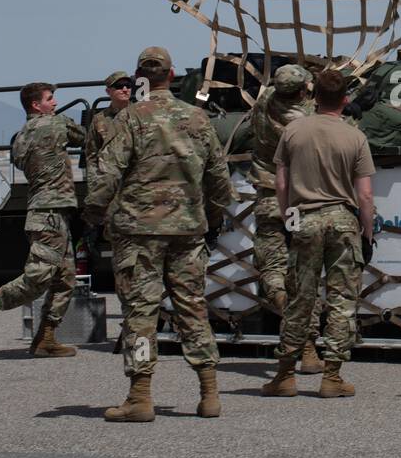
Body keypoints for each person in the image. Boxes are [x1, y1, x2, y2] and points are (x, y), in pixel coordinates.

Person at [83, 47, 236, 422]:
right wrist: (209, 217)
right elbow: (220, 182)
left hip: (139, 232)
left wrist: (93, 213)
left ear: (140, 78)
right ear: (171, 76)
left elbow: (107, 174)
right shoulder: (198, 119)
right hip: (187, 230)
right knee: (193, 307)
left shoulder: (130, 119)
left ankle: (140, 396)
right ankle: (209, 392)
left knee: (140, 313)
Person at [261, 70, 375, 400]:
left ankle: (284, 375)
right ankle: (332, 376)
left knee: (299, 299)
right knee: (341, 301)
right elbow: (365, 196)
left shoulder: (294, 131)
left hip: (304, 219)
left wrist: (288, 217)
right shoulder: (355, 137)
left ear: (314, 98)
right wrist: (367, 233)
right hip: (342, 220)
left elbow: (280, 184)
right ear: (345, 100)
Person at [0, 82, 85, 357]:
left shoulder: (20, 138)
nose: (54, 103)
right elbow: (86, 138)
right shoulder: (55, 125)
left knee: (65, 278)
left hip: (50, 212)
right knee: (37, 278)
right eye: (50, 99)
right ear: (36, 105)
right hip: (49, 214)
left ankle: (46, 338)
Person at [249, 64, 323, 374]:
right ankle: (307, 346)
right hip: (303, 199)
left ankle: (284, 310)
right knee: (306, 275)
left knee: (272, 268)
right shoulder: (308, 119)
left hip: (269, 198)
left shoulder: (265, 103)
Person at [84, 71, 133, 177]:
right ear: (108, 91)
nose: (125, 90)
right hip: (109, 180)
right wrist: (95, 182)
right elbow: (91, 154)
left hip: (135, 180)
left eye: (128, 86)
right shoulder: (99, 119)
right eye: (119, 86)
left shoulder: (139, 114)